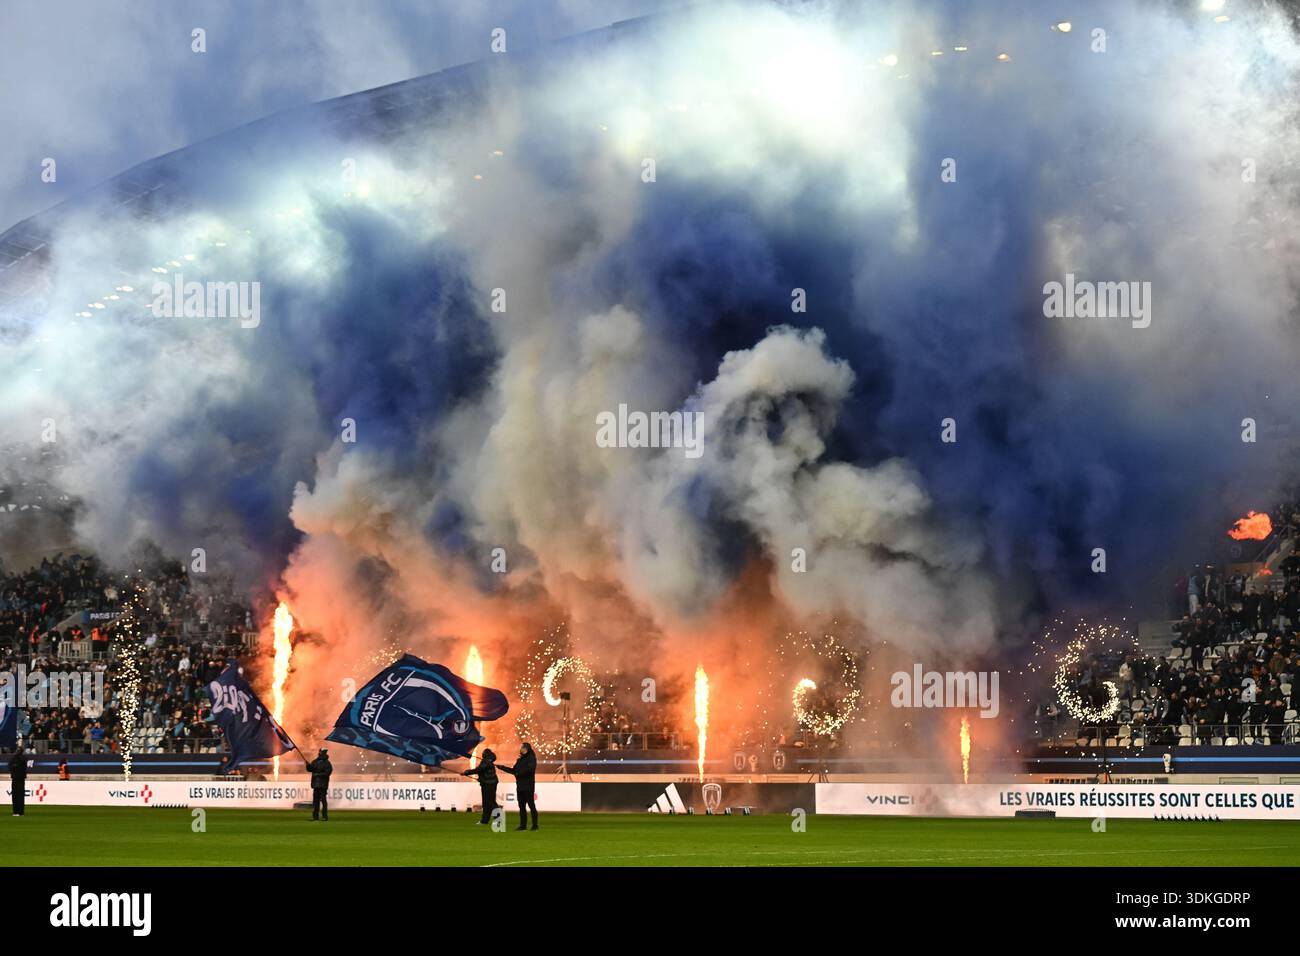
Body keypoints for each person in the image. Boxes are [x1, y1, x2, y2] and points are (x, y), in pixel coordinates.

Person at [499, 742, 538, 831]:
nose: (521, 749)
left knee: (531, 805)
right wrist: (502, 768)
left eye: (522, 748)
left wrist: (518, 773)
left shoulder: (531, 758)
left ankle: (535, 825)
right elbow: (514, 771)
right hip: (520, 786)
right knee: (521, 806)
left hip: (528, 786)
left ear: (526, 749)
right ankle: (523, 825)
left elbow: (530, 770)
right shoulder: (519, 760)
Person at [462, 748, 498, 824]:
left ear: (486, 754)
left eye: (483, 753)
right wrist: (481, 778)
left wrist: (467, 772)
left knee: (490, 802)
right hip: (489, 783)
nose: (482, 754)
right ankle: (485, 820)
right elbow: (483, 772)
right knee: (488, 802)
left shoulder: (485, 761)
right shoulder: (489, 760)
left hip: (488, 784)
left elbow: (479, 769)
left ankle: (497, 820)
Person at [304, 748, 332, 821]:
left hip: (322, 785)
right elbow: (311, 769)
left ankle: (324, 816)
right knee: (316, 801)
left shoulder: (327, 763)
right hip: (316, 785)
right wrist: (307, 765)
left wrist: (318, 775)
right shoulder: (315, 761)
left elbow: (328, 773)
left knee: (323, 800)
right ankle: (315, 816)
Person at [8, 746, 28, 816]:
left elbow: (10, 766)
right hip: (17, 779)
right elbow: (10, 766)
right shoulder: (14, 758)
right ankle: (17, 811)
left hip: (19, 779)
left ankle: (19, 811)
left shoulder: (21, 758)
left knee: (18, 796)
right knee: (16, 796)